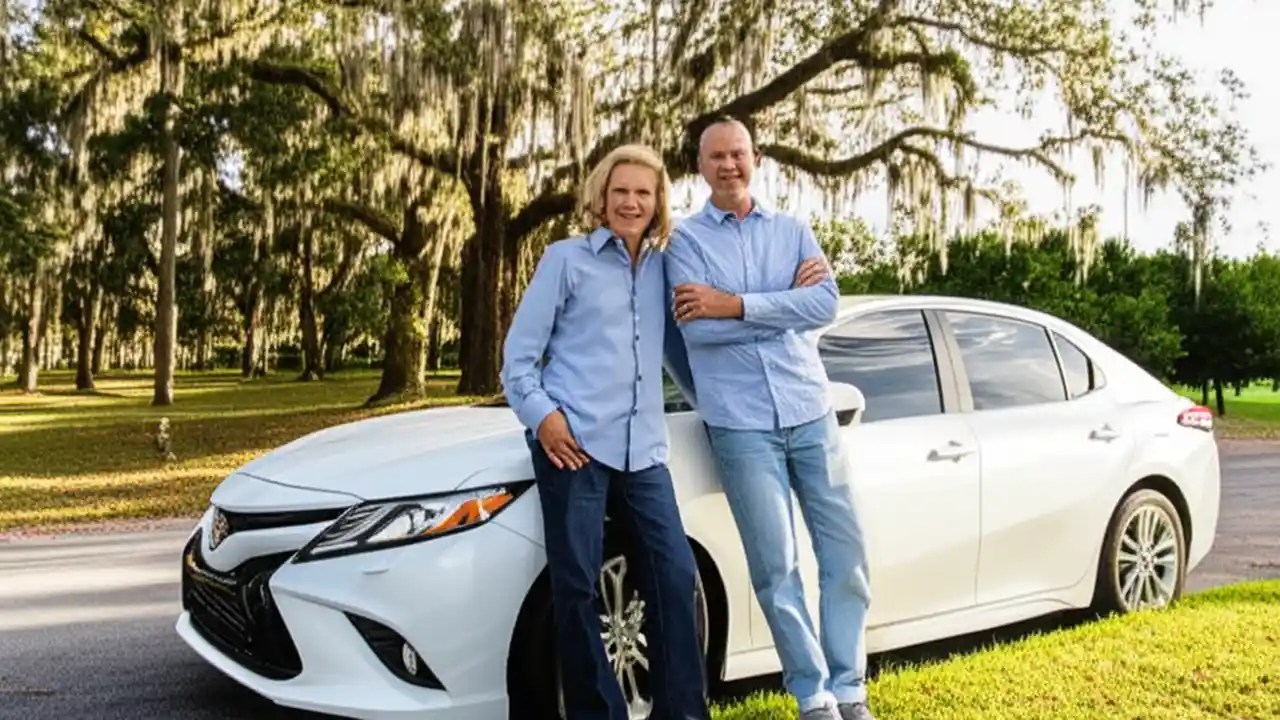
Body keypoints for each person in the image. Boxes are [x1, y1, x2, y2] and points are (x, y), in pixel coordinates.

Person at [663, 116, 876, 720]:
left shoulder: (792, 229)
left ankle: (851, 686)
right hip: (740, 425)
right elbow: (695, 331)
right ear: (699, 167)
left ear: (755, 158)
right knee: (775, 566)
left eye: (738, 154)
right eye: (716, 157)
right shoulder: (684, 243)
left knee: (846, 552)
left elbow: (825, 303)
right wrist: (785, 307)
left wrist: (734, 304)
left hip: (810, 410)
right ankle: (813, 696)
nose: (728, 165)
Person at [500, 143, 710, 720]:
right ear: (601, 196)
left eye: (644, 193)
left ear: (658, 202)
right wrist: (543, 417)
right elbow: (518, 358)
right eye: (621, 191)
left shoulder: (666, 269)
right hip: (574, 446)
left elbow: (680, 356)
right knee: (576, 587)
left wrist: (719, 409)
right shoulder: (566, 260)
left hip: (643, 452)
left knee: (673, 577)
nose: (631, 202)